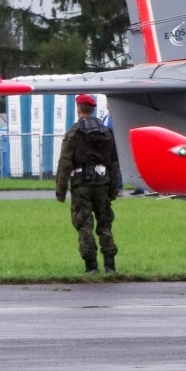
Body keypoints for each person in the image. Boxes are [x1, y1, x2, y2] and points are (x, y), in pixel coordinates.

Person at [55, 94, 121, 273]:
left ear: (78, 109)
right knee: (105, 224)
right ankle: (110, 266)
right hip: (102, 184)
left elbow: (65, 163)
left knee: (84, 225)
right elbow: (114, 163)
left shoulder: (74, 133)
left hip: (81, 185)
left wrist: (60, 191)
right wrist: (113, 190)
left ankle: (91, 267)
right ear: (93, 110)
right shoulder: (106, 133)